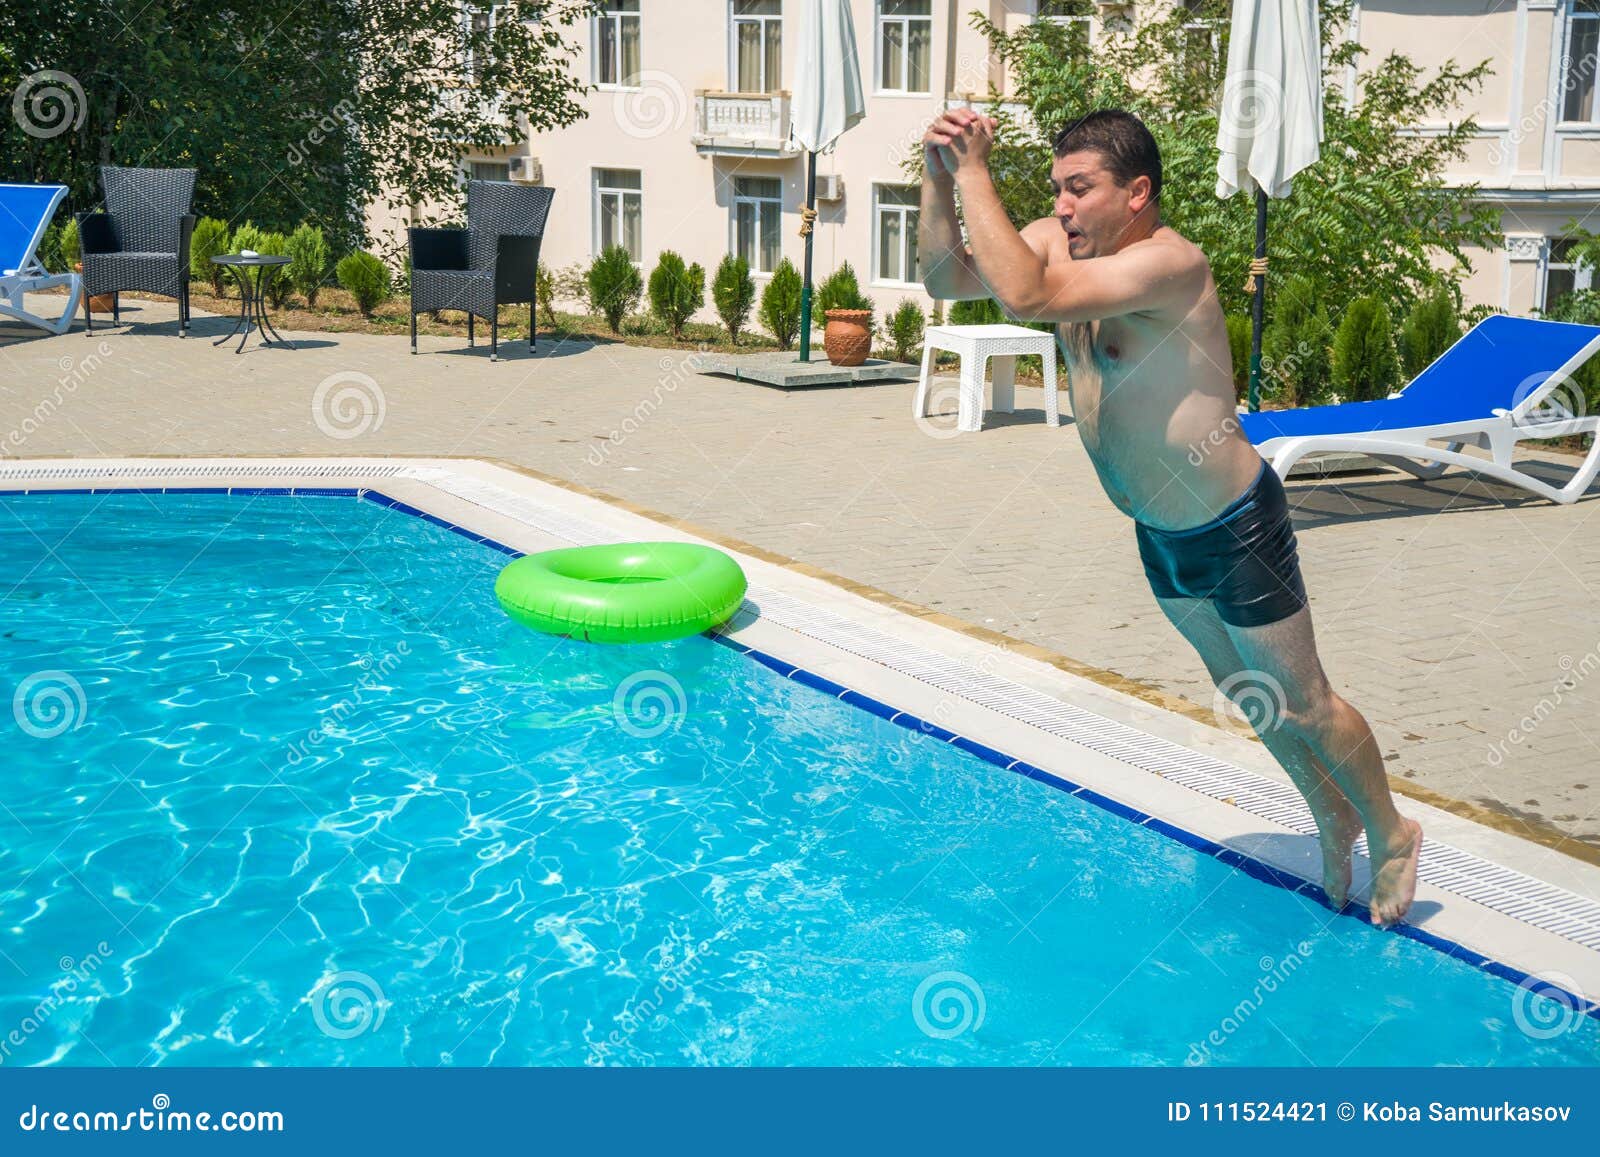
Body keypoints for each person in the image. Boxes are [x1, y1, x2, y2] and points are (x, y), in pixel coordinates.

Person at [918, 106, 1420, 926]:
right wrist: (939, 176)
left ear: (1138, 193)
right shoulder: (1059, 241)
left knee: (1302, 701)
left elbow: (1024, 292)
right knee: (1246, 693)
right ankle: (1331, 813)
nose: (1064, 205)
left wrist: (977, 171)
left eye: (1080, 189)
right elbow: (946, 279)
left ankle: (1392, 832)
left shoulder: (1168, 263)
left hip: (1233, 524)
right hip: (1159, 529)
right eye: (1057, 189)